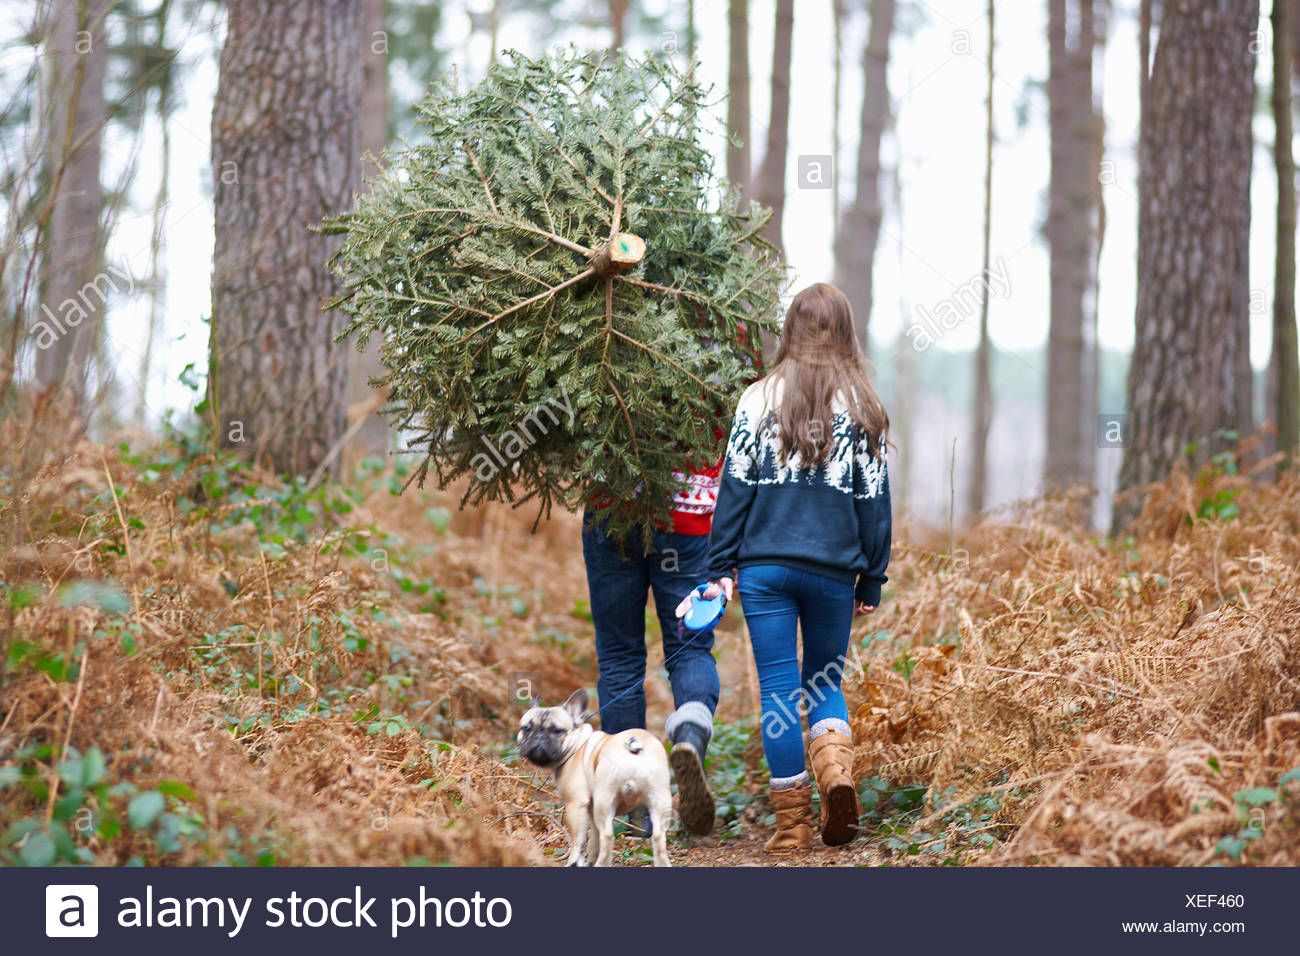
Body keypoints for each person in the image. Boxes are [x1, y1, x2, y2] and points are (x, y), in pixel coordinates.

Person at [691, 282, 892, 852]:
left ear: (790, 329)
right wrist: (872, 575)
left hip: (765, 571)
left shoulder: (757, 399)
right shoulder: (865, 407)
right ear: (846, 332)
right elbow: (874, 503)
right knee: (824, 678)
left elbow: (734, 491)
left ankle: (793, 826)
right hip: (833, 572)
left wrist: (720, 566)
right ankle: (836, 774)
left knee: (779, 690)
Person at [581, 451, 723, 837]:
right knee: (690, 648)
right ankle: (690, 733)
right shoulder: (738, 385)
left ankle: (633, 803)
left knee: (619, 656)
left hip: (612, 507)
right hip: (687, 518)